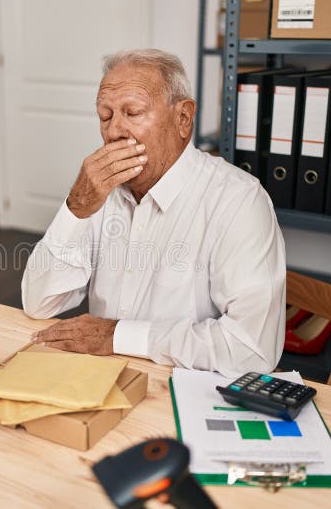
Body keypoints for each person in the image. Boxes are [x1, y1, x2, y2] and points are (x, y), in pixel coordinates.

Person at [21, 49, 286, 376]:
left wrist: (117, 336)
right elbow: (39, 303)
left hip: (183, 388)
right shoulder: (99, 191)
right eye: (105, 115)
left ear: (183, 119)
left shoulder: (239, 201)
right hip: (99, 379)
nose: (114, 131)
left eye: (133, 112)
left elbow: (252, 350)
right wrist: (75, 209)